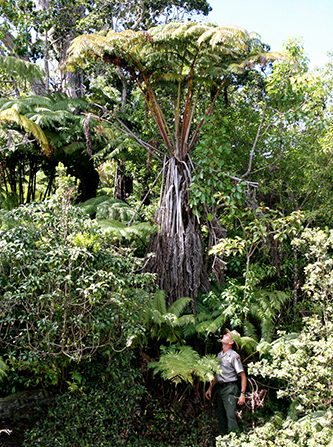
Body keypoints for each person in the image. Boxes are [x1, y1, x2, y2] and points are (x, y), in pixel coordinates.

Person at [205, 330, 247, 435]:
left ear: (231, 342)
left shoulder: (234, 356)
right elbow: (217, 374)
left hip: (230, 388)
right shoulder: (219, 355)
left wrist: (242, 394)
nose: (224, 335)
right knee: (221, 416)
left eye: (227, 335)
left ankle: (235, 438)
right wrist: (210, 388)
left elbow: (243, 376)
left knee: (230, 415)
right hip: (221, 388)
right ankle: (224, 439)